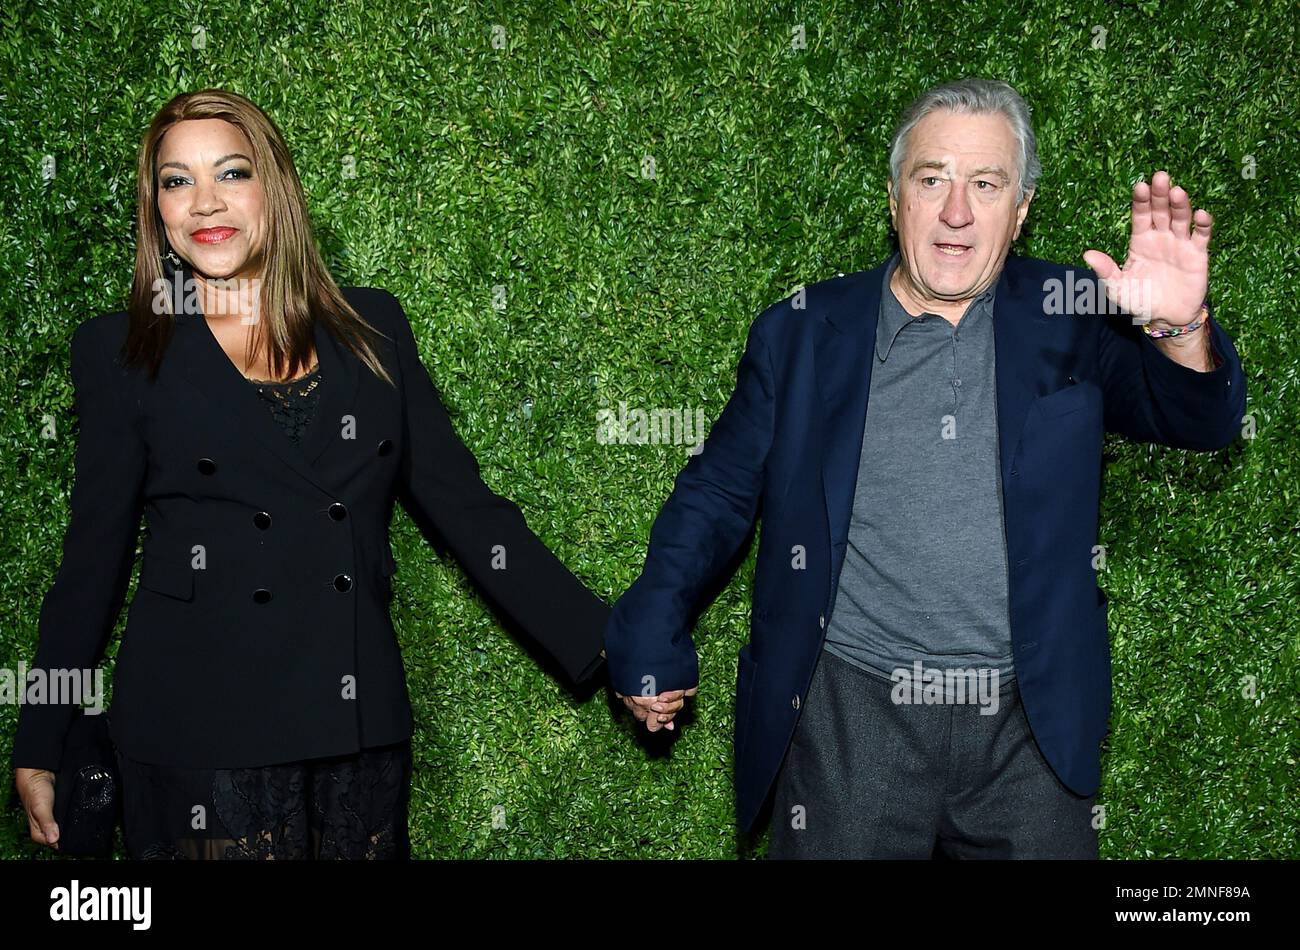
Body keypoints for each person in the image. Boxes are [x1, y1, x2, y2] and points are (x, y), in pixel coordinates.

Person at [606, 77, 1245, 858]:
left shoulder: (1076, 313)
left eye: (985, 184)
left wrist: (1179, 325)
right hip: (851, 717)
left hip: (1031, 726)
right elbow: (718, 492)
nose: (955, 212)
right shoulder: (802, 333)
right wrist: (649, 627)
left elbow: (1201, 421)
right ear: (894, 195)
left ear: (1020, 209)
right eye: (932, 179)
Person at [12, 88, 609, 859]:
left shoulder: (371, 328)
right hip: (199, 725)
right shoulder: (122, 349)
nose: (203, 203)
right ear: (155, 208)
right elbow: (89, 563)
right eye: (175, 180)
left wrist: (613, 644)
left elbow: (471, 514)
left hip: (353, 723)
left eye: (231, 172)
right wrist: (39, 740)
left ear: (276, 188)